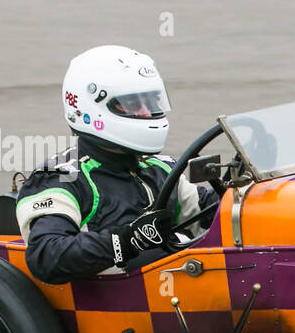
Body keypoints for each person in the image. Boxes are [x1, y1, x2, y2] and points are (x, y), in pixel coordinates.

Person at [15, 45, 218, 283]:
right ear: (91, 108)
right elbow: (46, 256)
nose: (145, 112)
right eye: (132, 104)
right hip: (112, 307)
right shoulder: (60, 177)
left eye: (151, 102)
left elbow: (215, 214)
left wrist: (246, 194)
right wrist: (126, 240)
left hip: (177, 297)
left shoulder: (161, 170)